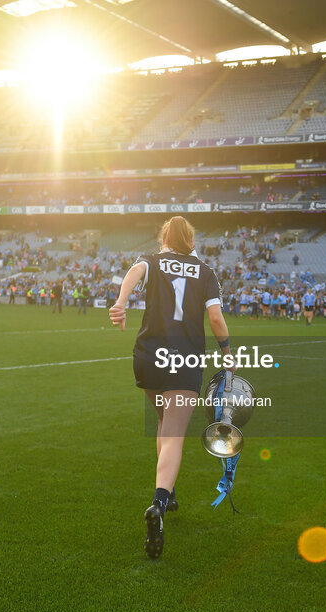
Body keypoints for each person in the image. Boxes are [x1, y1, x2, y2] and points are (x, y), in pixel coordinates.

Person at [109, 217, 231, 560]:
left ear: (164, 237)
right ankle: (159, 503)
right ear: (190, 239)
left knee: (164, 421)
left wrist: (121, 302)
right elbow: (216, 318)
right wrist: (227, 351)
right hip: (184, 358)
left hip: (148, 355)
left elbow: (134, 273)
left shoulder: (151, 258)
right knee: (175, 431)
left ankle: (171, 490)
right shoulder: (205, 271)